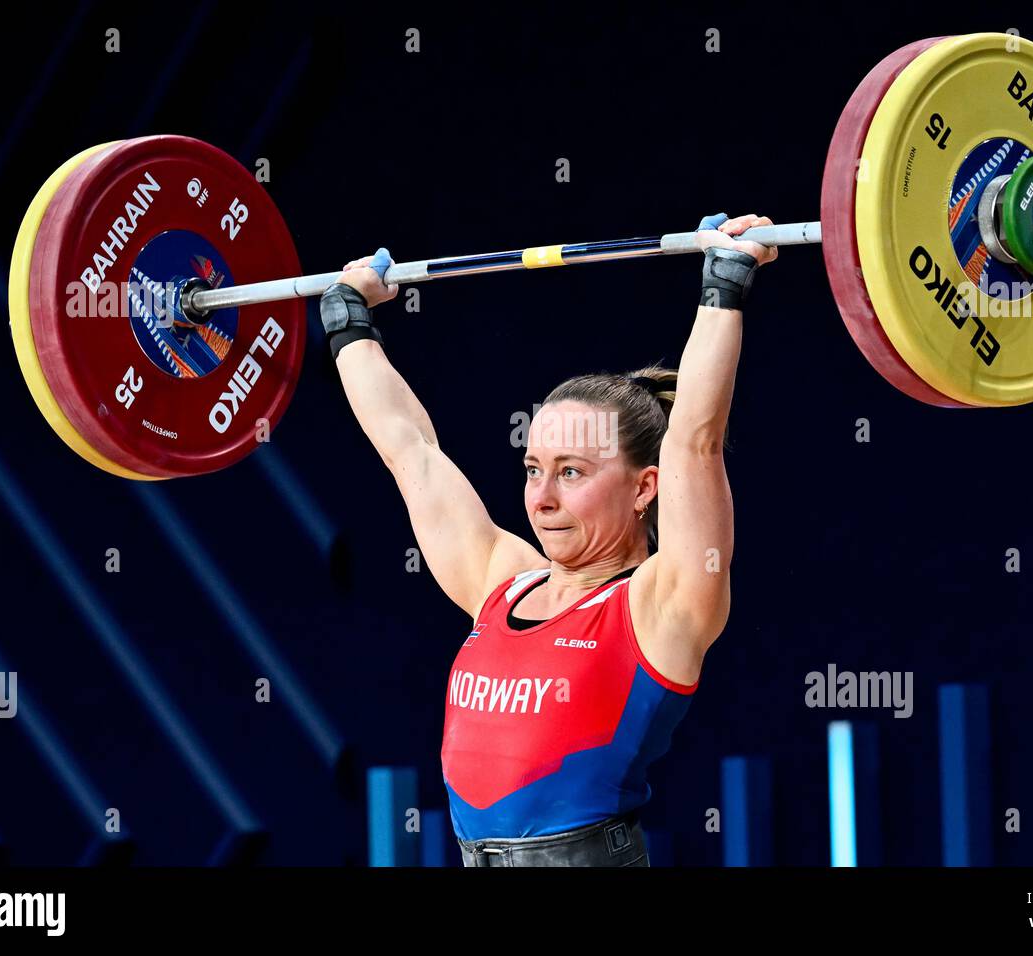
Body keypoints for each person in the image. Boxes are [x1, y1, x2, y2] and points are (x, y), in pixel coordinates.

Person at [321, 213, 776, 866]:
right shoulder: (500, 580)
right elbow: (411, 451)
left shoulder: (661, 604)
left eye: (572, 473)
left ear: (647, 487)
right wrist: (348, 323)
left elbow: (695, 440)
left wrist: (723, 286)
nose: (541, 497)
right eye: (534, 469)